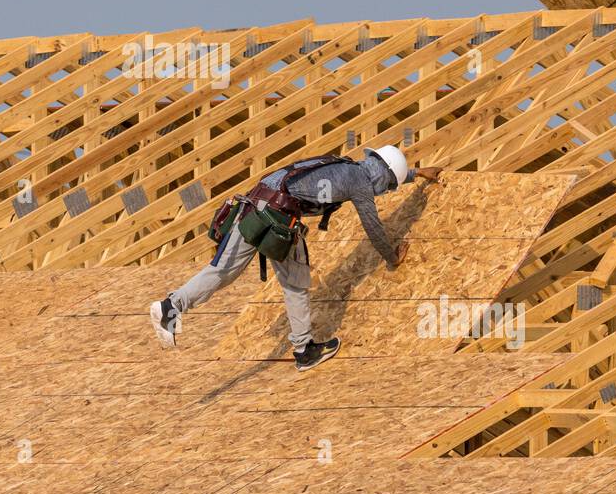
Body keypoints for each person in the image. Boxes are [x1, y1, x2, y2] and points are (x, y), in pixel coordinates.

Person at [149, 146, 442, 370]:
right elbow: (373, 226)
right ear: (383, 177)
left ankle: (170, 307)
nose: (385, 190)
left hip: (255, 203)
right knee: (295, 282)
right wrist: (391, 257)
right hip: (279, 216)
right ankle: (304, 351)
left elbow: (383, 175)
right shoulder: (361, 184)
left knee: (223, 270)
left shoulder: (349, 167)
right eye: (389, 185)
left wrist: (416, 173)